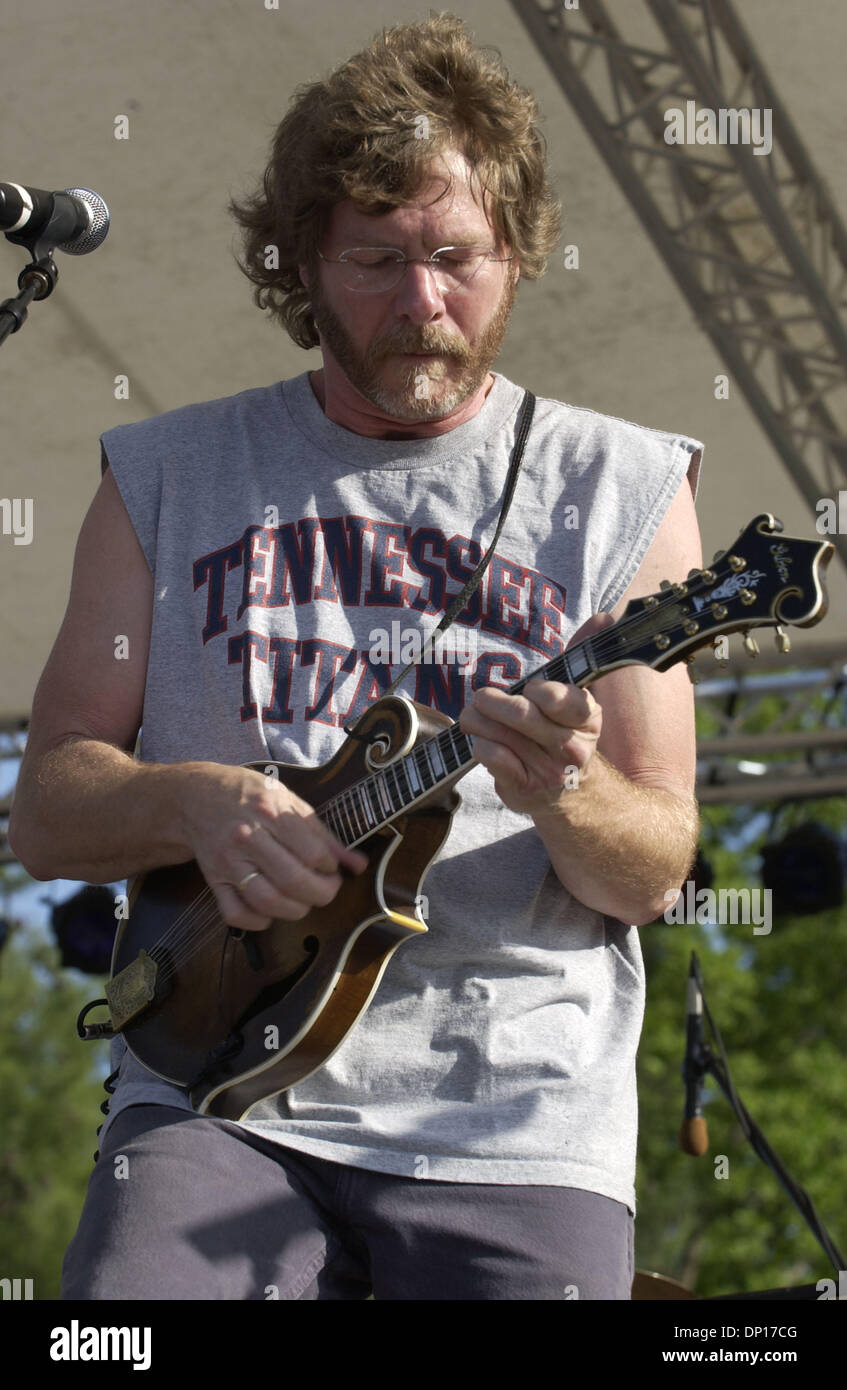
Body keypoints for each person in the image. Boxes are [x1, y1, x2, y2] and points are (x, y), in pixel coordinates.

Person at [9, 13, 703, 1300]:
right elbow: (46, 810)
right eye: (377, 260)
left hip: (513, 1114)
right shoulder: (163, 476)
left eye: (456, 257)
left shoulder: (623, 488)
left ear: (515, 255)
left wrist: (567, 788)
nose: (422, 302)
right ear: (305, 268)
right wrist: (192, 800)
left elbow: (655, 866)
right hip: (210, 1085)